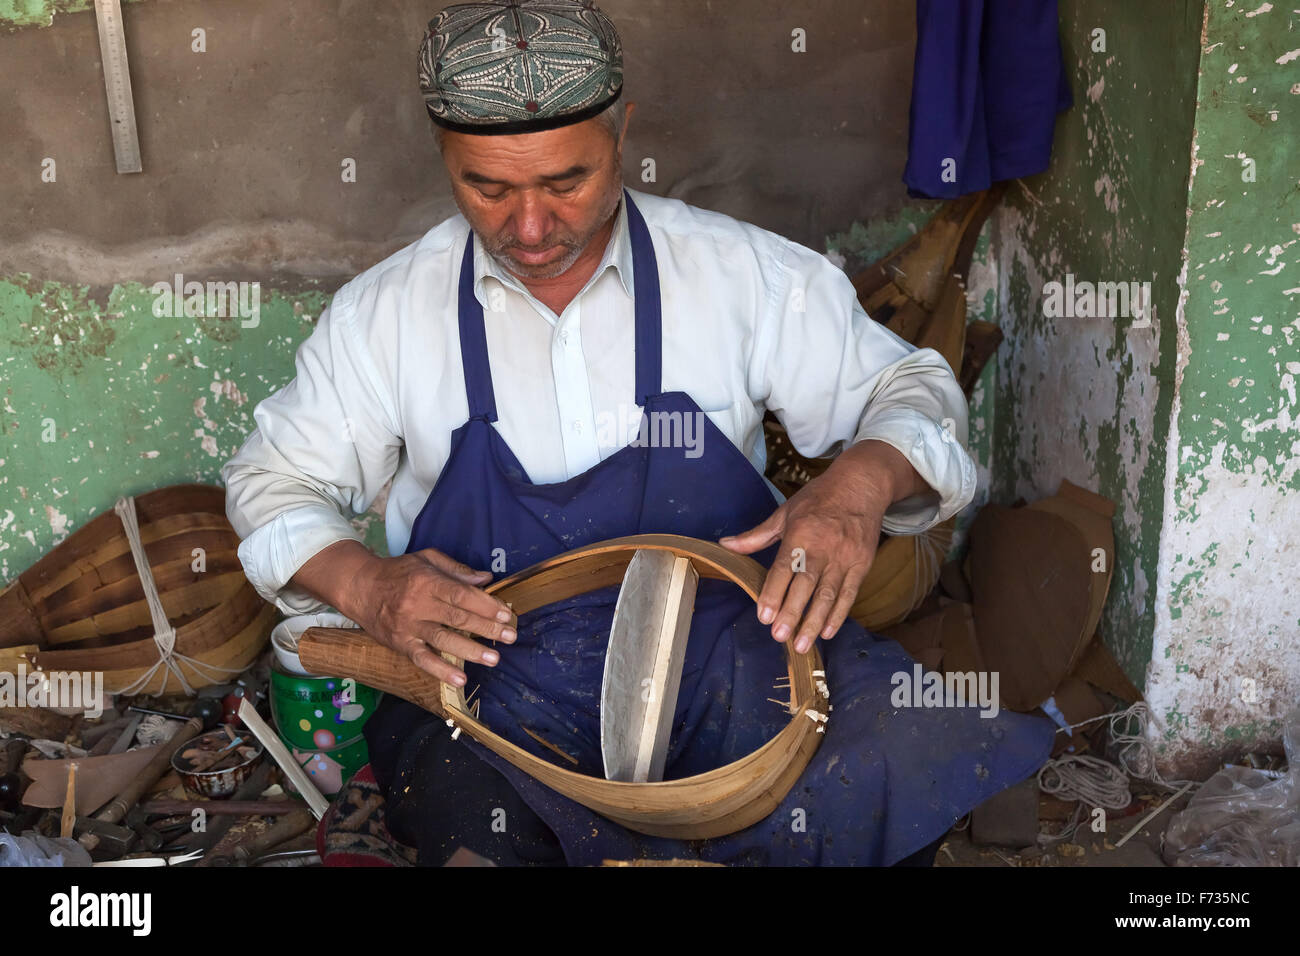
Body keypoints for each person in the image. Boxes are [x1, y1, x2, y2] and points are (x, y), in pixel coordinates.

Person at [223, 0, 1053, 866]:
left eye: (565, 182)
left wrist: (861, 485)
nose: (531, 227)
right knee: (477, 828)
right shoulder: (386, 315)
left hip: (739, 655)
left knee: (895, 762)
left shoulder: (735, 272)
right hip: (490, 689)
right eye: (489, 188)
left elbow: (908, 386)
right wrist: (366, 586)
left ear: (624, 130)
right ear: (445, 157)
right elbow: (270, 484)